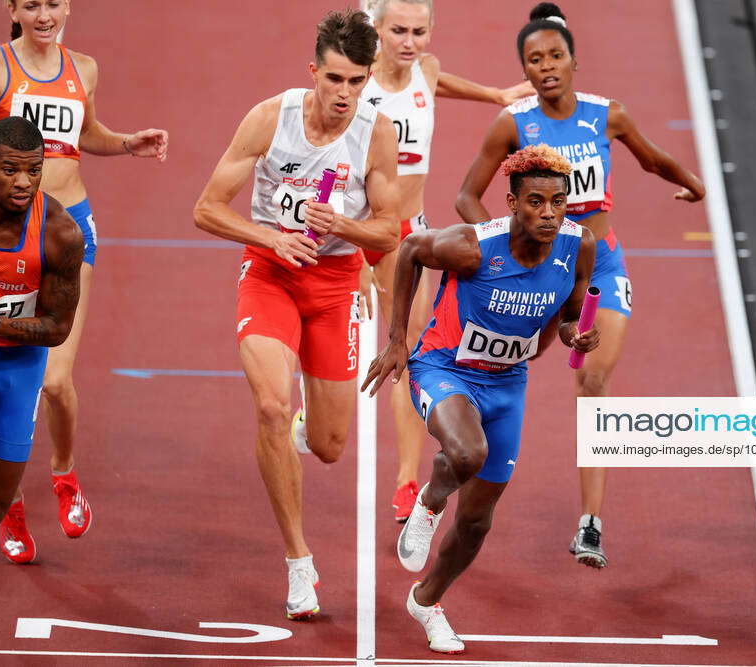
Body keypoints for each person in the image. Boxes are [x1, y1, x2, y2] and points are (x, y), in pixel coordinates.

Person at [456, 2, 706, 569]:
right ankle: (451, 481)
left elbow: (651, 159)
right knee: (494, 369)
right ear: (525, 68)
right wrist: (498, 245)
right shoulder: (513, 123)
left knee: (591, 381)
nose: (546, 67)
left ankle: (590, 524)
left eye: (555, 57)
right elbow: (467, 195)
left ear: (574, 61)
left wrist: (694, 185)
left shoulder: (606, 115)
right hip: (534, 275)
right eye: (533, 60)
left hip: (598, 272)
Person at [292, 0, 534, 525]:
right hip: (359, 234)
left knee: (406, 353)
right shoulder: (356, 86)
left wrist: (494, 95)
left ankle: (405, 480)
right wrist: (352, 256)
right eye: (397, 30)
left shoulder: (426, 69)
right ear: (375, 31)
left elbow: (437, 82)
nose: (408, 41)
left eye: (418, 31)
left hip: (413, 235)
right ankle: (312, 416)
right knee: (346, 350)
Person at [193, 9, 399, 620]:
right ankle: (299, 563)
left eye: (356, 82)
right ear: (313, 70)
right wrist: (268, 238)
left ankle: (309, 428)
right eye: (334, 79)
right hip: (271, 276)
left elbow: (388, 233)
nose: (343, 94)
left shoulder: (374, 133)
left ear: (369, 80)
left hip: (334, 284)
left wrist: (346, 226)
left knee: (331, 446)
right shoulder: (270, 119)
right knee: (272, 407)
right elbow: (206, 208)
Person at [361, 144, 599, 653]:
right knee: (468, 454)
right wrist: (399, 340)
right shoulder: (471, 247)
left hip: (508, 382)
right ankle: (428, 502)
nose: (549, 213)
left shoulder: (579, 246)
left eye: (558, 202)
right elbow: (408, 251)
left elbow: (574, 307)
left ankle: (426, 601)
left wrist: (576, 333)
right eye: (536, 202)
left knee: (477, 521)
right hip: (444, 367)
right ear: (512, 202)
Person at [0, 0, 168, 563]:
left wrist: (126, 142)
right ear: (12, 9)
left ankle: (64, 474)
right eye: (31, 4)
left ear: (68, 7)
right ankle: (8, 499)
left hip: (67, 228)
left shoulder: (83, 68)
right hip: (6, 231)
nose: (44, 14)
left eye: (53, 3)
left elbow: (85, 136)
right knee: (7, 373)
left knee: (55, 379)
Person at [0, 116, 83, 563]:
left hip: (18, 364)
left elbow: (58, 329)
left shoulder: (60, 232)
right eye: (10, 170)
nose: (24, 182)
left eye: (34, 170)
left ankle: (12, 508)